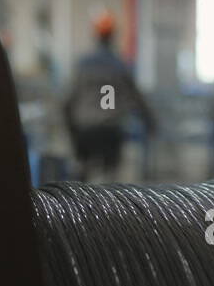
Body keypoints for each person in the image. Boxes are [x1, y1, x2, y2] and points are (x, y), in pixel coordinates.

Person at [64, 11, 155, 182]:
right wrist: (149, 121)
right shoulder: (119, 65)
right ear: (112, 36)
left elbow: (69, 101)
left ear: (95, 35)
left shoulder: (83, 65)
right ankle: (108, 207)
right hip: (111, 130)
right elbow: (136, 98)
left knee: (82, 178)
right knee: (110, 180)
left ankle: (80, 205)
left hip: (86, 130)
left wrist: (72, 130)